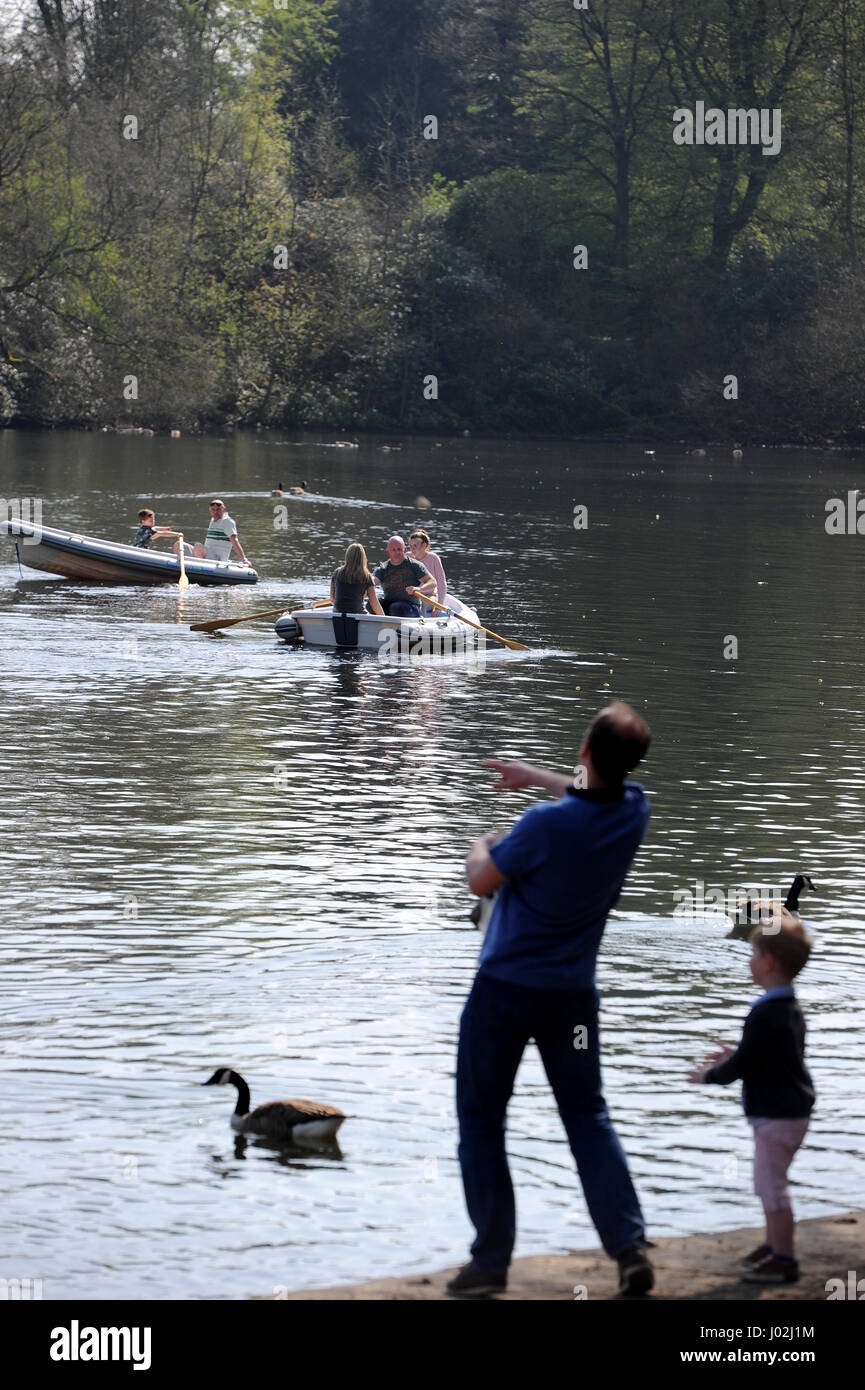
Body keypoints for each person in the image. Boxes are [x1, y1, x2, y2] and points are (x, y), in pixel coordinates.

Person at [450, 702, 653, 1299]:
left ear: (586, 751)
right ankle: (629, 1248)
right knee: (587, 1117)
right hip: (572, 1001)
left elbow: (481, 881)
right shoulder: (632, 812)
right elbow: (592, 792)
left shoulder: (541, 826)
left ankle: (490, 1265)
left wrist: (480, 844)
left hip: (504, 995)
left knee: (482, 1123)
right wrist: (533, 776)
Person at [688, 913, 814, 1285]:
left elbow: (744, 1064)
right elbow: (770, 1054)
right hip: (791, 1111)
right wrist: (736, 1054)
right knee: (770, 1183)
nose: (749, 961)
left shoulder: (763, 1013)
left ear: (769, 963)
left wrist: (710, 1074)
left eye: (753, 953)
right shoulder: (789, 1007)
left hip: (776, 1116)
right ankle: (773, 1247)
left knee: (770, 1188)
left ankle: (784, 1259)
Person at [373, 535, 436, 617]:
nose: (397, 552)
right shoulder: (383, 568)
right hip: (390, 605)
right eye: (393, 550)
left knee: (396, 607)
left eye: (399, 549)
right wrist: (366, 586)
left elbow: (432, 582)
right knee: (371, 605)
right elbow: (373, 580)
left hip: (411, 607)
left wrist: (419, 589)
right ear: (388, 551)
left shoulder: (415, 565)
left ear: (405, 549)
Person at [174, 499, 250, 565]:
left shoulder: (227, 521)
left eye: (218, 510)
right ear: (210, 510)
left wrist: (244, 559)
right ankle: (179, 568)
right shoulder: (213, 520)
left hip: (218, 559)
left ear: (224, 509)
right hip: (206, 555)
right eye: (213, 510)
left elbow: (235, 540)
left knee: (198, 546)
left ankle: (198, 570)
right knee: (178, 544)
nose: (215, 512)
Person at [330, 542, 384, 615]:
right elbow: (374, 604)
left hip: (337, 614)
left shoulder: (337, 573)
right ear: (363, 558)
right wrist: (383, 617)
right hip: (358, 614)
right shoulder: (366, 576)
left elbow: (332, 599)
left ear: (347, 556)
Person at [409, 530, 447, 608]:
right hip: (412, 595)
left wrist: (438, 607)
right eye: (411, 546)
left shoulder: (433, 558)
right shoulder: (407, 557)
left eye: (415, 546)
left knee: (421, 603)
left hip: (429, 596)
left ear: (424, 545)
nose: (412, 549)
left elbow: (441, 583)